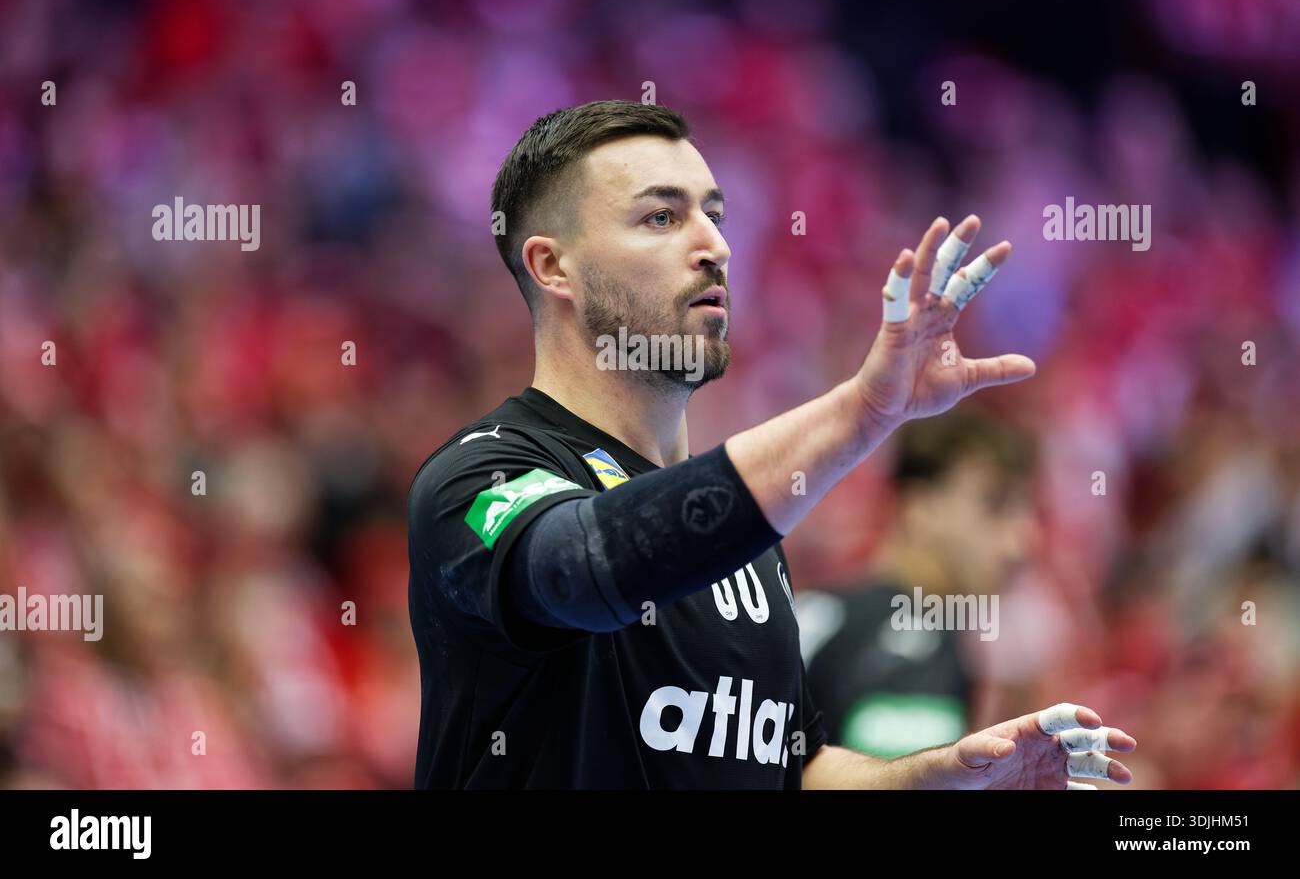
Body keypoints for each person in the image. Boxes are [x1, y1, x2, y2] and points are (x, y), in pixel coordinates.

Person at [406, 99, 1136, 788]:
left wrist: (942, 775)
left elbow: (793, 772)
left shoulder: (748, 544)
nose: (715, 246)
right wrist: (862, 409)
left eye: (714, 215)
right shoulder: (481, 476)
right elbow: (590, 566)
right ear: (552, 266)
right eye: (661, 217)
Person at [800, 409, 1038, 759]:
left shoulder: (811, 610)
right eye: (995, 505)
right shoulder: (918, 647)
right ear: (917, 507)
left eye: (1026, 510)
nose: (1022, 541)